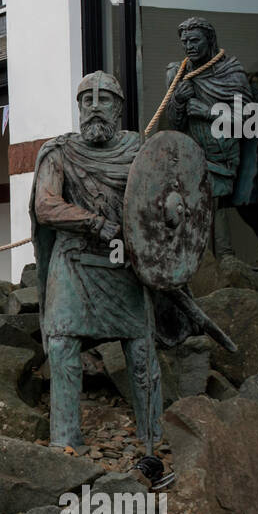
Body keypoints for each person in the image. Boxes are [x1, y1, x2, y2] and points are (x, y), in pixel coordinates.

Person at [30, 72, 162, 454]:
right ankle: (66, 442)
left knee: (141, 349)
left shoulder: (140, 151)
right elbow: (46, 205)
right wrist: (93, 222)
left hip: (123, 265)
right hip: (73, 261)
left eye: (103, 100)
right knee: (62, 345)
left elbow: (164, 201)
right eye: (86, 100)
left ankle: (152, 436)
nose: (94, 107)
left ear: (118, 107)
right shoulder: (59, 152)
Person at [162, 17, 258, 267]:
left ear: (210, 40)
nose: (189, 47)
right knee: (195, 206)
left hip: (231, 152)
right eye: (185, 42)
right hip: (195, 153)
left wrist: (206, 111)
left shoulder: (231, 71)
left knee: (248, 208)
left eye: (195, 40)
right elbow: (175, 122)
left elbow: (247, 119)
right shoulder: (178, 73)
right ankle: (214, 262)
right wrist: (177, 101)